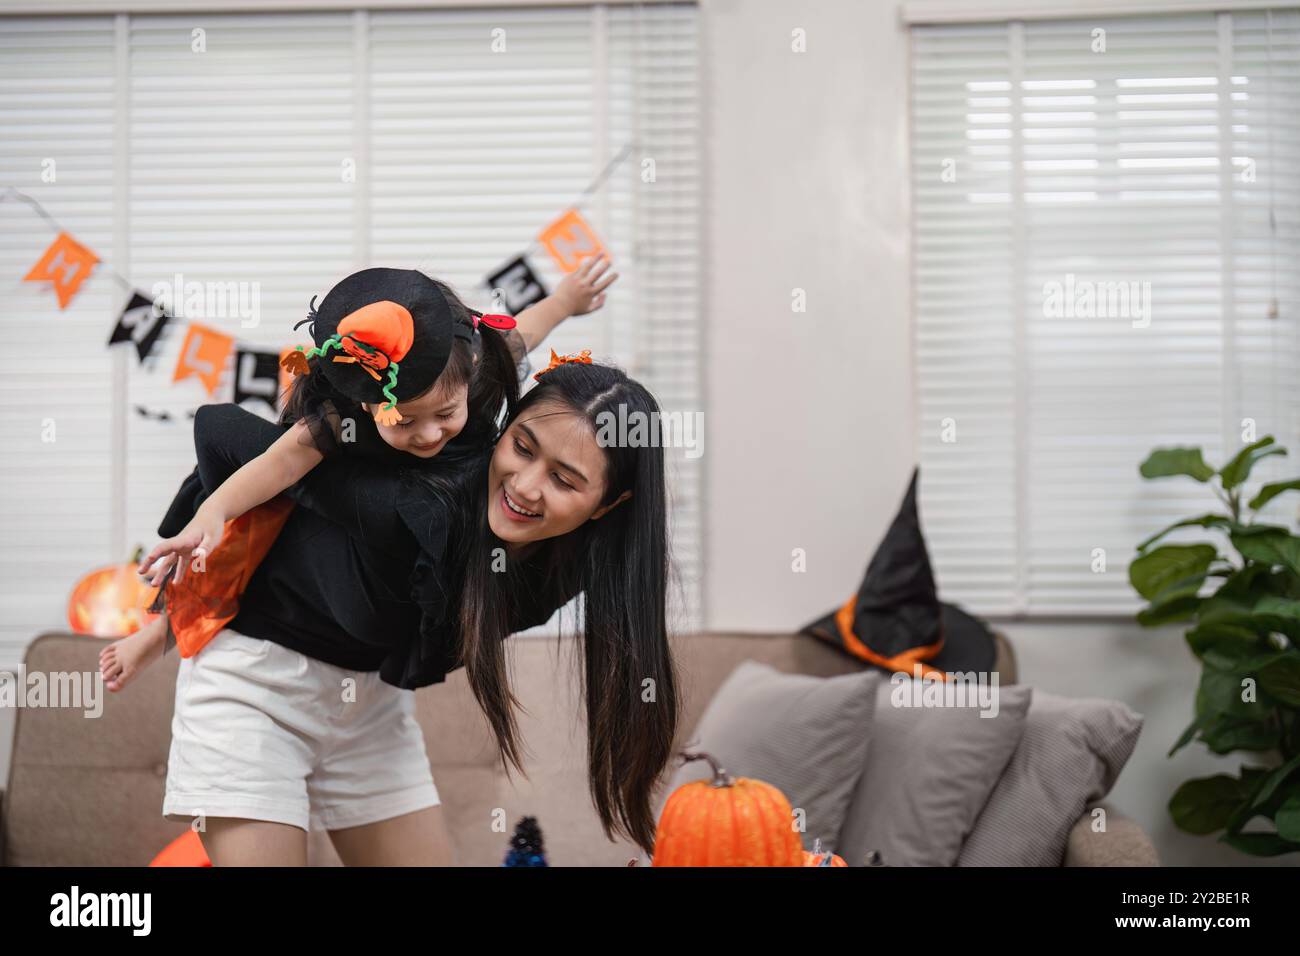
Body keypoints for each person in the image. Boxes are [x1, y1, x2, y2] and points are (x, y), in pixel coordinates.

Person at [158, 354, 678, 864]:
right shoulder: (412, 504)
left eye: (564, 480)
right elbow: (221, 427)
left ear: (608, 506)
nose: (524, 486)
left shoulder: (582, 564)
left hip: (368, 707)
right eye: (521, 446)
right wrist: (209, 518)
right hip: (255, 686)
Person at [100, 255, 617, 691]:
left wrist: (567, 301)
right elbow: (277, 464)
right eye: (404, 421)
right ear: (366, 406)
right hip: (322, 511)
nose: (431, 435)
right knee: (247, 534)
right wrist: (213, 511)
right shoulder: (336, 419)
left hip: (404, 544)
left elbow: (523, 332)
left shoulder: (476, 372)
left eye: (446, 415)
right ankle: (163, 629)